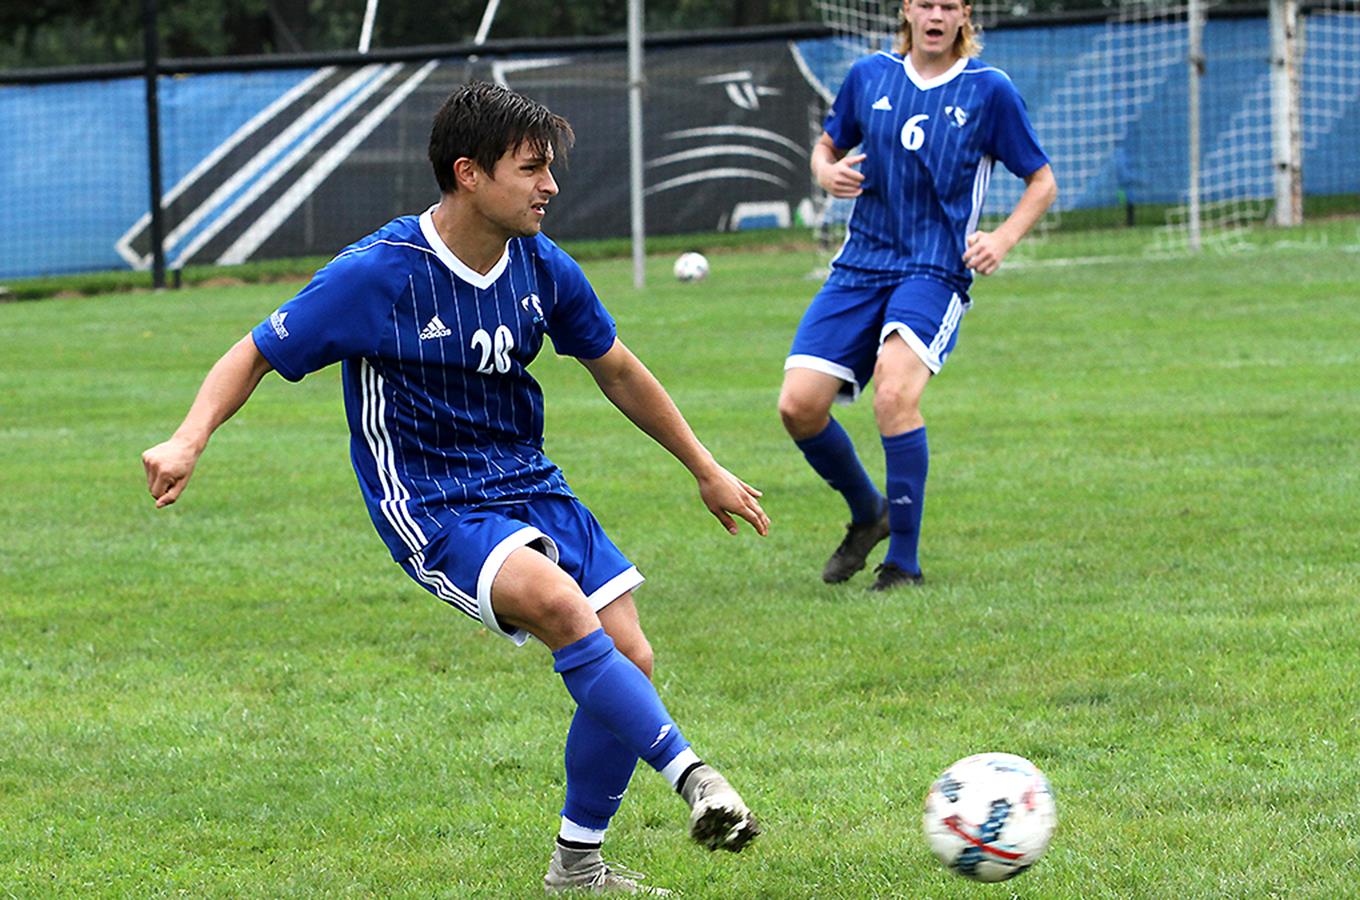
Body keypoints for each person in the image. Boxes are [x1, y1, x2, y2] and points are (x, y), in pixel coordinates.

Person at [142, 81, 767, 895]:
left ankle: (576, 867)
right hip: (431, 498)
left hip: (530, 481)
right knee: (561, 608)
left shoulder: (541, 264)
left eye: (550, 169)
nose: (550, 186)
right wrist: (189, 439)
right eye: (531, 168)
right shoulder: (380, 274)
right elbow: (256, 350)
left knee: (631, 657)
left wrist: (705, 468)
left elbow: (614, 367)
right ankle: (697, 779)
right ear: (469, 174)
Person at [778, 0, 1057, 591]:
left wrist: (1003, 239)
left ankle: (903, 562)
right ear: (907, 9)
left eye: (948, 5)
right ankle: (868, 512)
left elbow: (1042, 179)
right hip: (860, 264)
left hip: (934, 267)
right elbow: (825, 149)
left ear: (964, 15)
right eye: (925, 3)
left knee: (894, 393)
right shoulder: (869, 76)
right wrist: (825, 173)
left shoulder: (990, 90)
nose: (936, 15)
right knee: (798, 406)